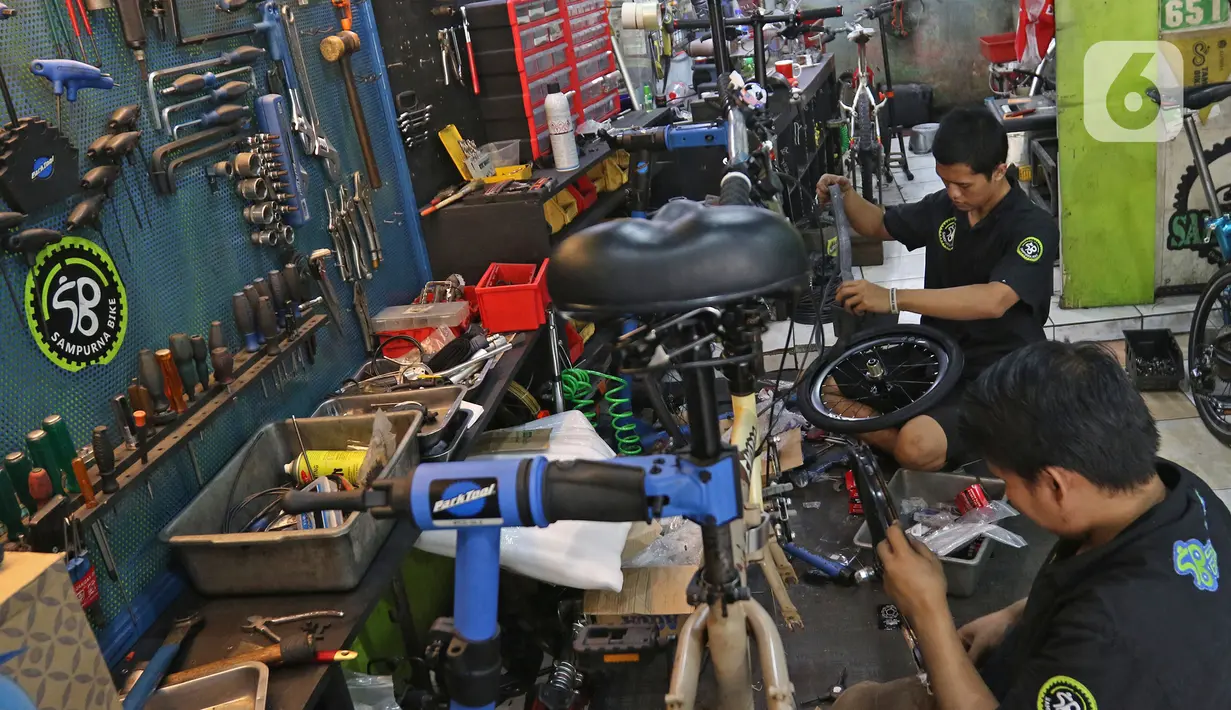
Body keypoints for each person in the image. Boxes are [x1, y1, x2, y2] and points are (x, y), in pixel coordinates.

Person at [834, 340, 1231, 710]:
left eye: (1009, 483)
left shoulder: (1111, 642)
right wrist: (1015, 618)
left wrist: (928, 611)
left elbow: (1106, 627)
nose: (1008, 496)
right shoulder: (1180, 492)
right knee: (863, 700)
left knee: (859, 702)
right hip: (1066, 667)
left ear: (1057, 485)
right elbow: (1095, 586)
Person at [814, 107, 1059, 472]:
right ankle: (914, 440)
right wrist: (846, 194)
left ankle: (921, 443)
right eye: (946, 182)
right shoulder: (946, 207)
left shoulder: (1033, 227)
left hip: (996, 368)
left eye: (964, 185)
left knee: (916, 446)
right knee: (823, 388)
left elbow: (994, 300)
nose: (954, 194)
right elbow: (878, 223)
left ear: (998, 170)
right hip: (934, 352)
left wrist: (892, 297)